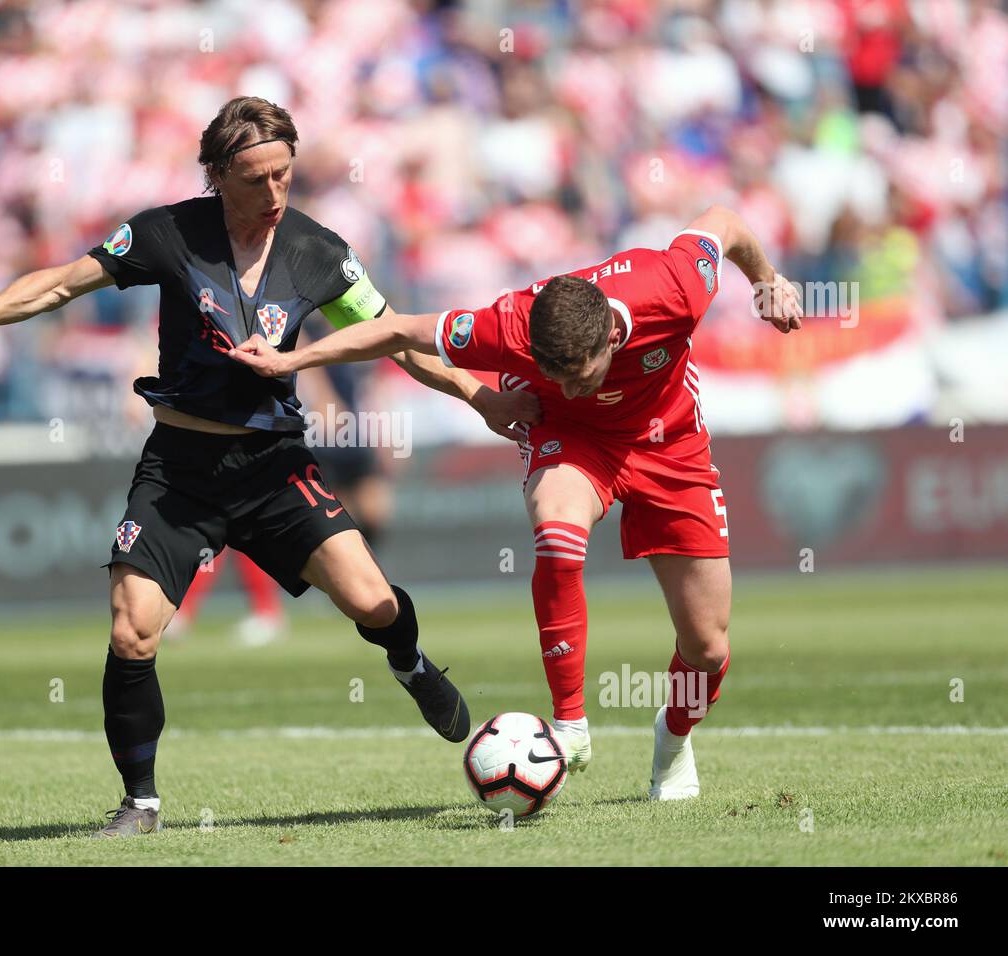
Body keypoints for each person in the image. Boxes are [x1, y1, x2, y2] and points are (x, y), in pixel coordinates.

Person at [0, 96, 537, 836]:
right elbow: (65, 282)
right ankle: (140, 803)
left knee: (375, 605)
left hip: (274, 466)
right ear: (217, 175)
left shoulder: (318, 252)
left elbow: (395, 338)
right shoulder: (166, 233)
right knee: (133, 630)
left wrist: (478, 395)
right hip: (181, 468)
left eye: (284, 175)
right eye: (256, 178)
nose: (273, 194)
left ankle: (409, 664)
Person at [230, 205, 804, 800]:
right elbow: (398, 331)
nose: (571, 386)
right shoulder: (510, 324)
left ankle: (674, 738)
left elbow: (725, 222)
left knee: (708, 648)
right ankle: (571, 723)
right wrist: (291, 360)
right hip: (571, 440)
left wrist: (765, 280)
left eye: (580, 376)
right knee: (557, 529)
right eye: (554, 373)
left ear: (612, 335)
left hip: (671, 443)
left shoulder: (674, 287)